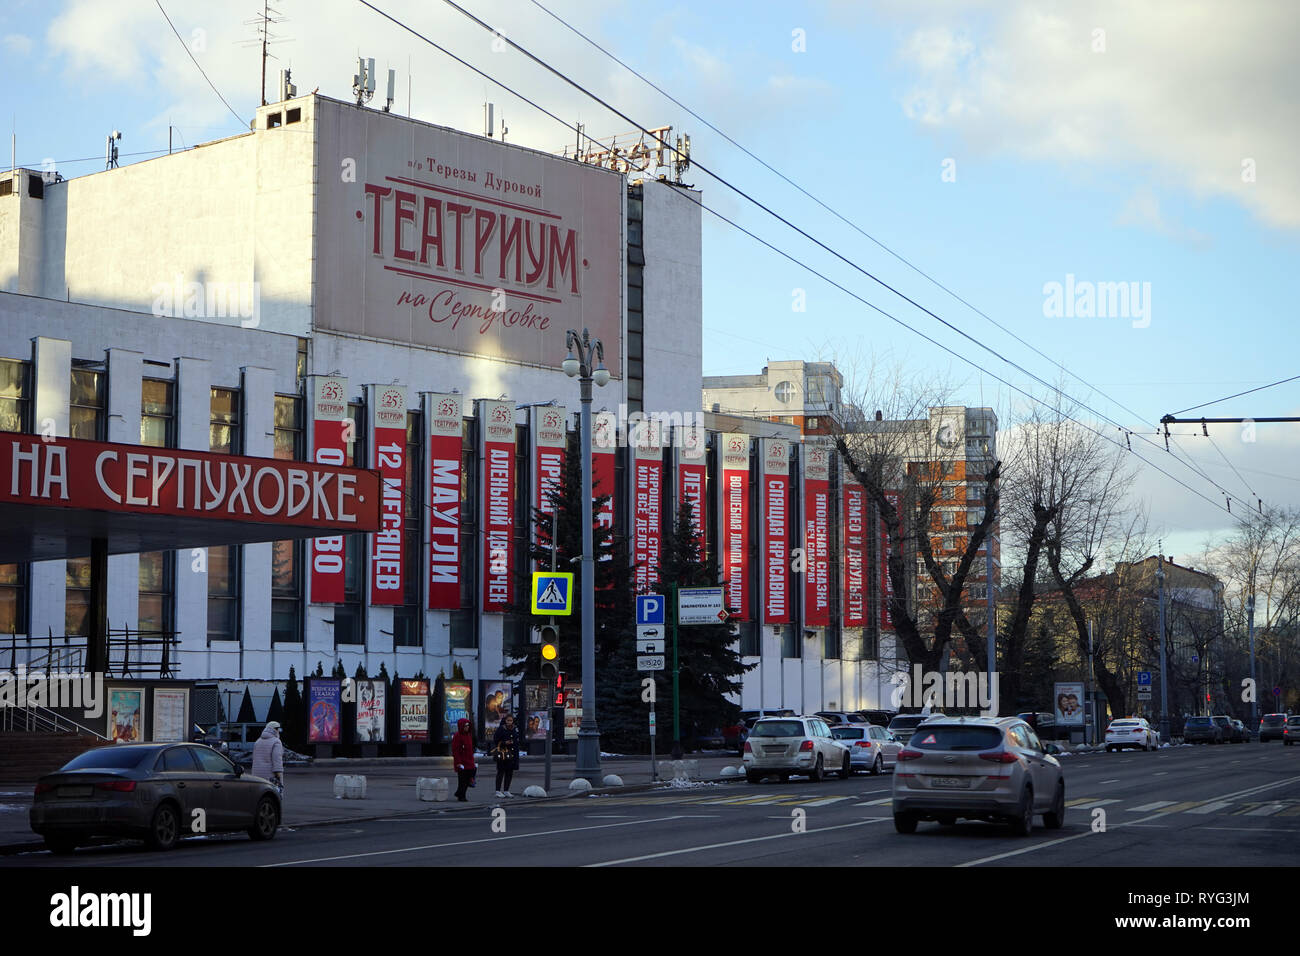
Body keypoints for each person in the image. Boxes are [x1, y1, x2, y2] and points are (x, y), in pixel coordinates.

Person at [492, 714, 522, 797]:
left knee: (509, 772)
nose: (509, 722)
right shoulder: (501, 729)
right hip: (503, 754)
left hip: (512, 754)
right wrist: (504, 742)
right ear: (505, 721)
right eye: (508, 720)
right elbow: (496, 740)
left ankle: (506, 790)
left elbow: (516, 740)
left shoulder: (514, 729)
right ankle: (498, 791)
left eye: (511, 720)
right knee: (501, 772)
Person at [253, 720, 284, 792]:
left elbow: (254, 758)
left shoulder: (258, 741)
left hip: (256, 775)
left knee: (259, 794)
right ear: (275, 730)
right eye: (278, 729)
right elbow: (277, 760)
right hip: (270, 775)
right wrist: (278, 775)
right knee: (273, 795)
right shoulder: (276, 741)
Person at [452, 717, 476, 802]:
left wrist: (472, 761)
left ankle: (459, 793)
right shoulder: (457, 736)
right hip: (461, 762)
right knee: (462, 780)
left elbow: (470, 749)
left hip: (469, 761)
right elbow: (455, 750)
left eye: (468, 725)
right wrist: (458, 762)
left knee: (468, 778)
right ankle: (461, 796)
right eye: (465, 726)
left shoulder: (469, 735)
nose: (467, 727)